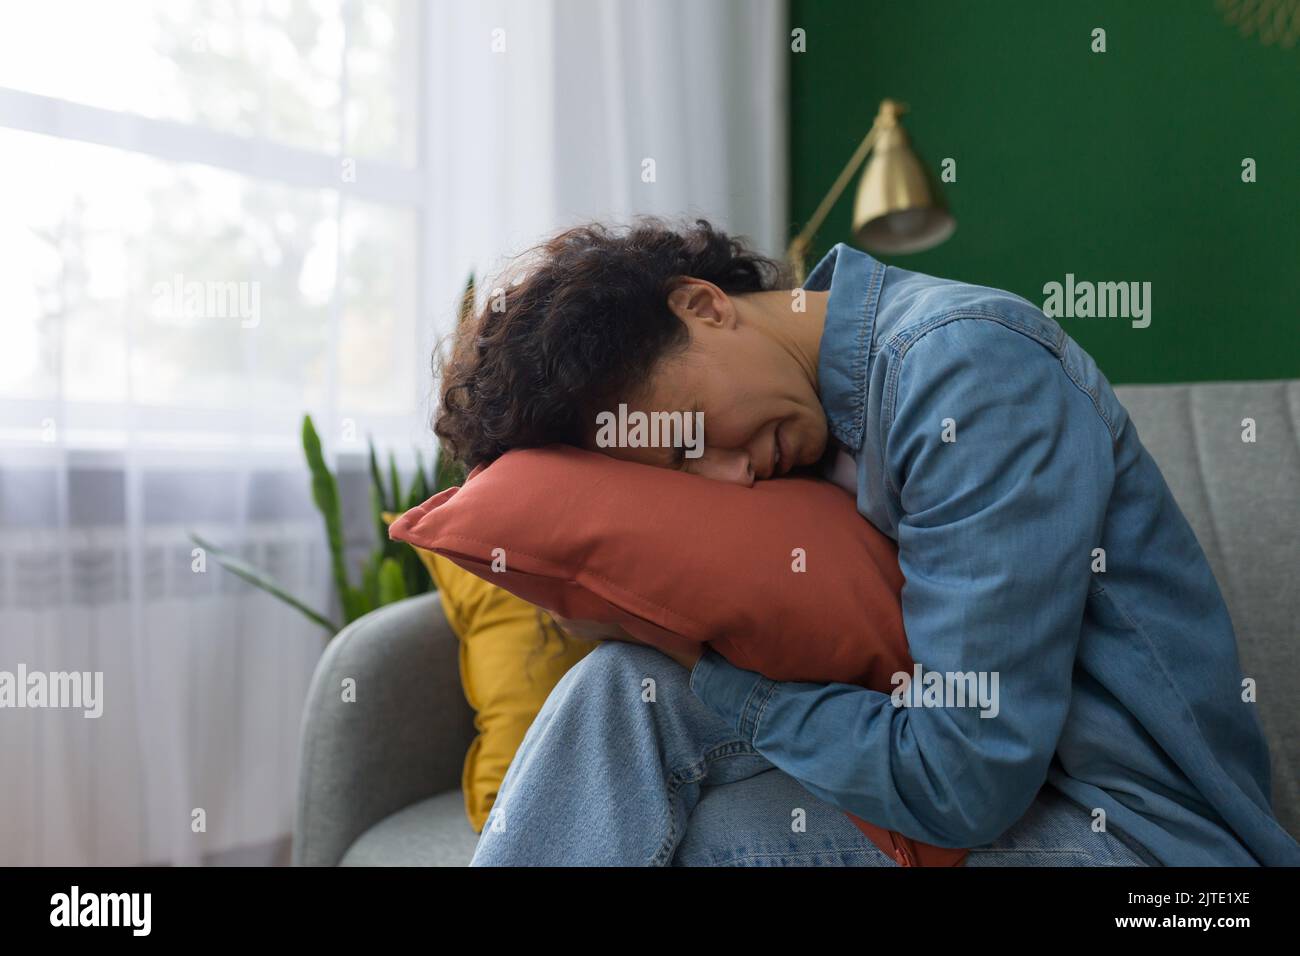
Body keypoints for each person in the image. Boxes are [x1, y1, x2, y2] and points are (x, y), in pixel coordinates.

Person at [434, 218, 1299, 866]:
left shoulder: (964, 374)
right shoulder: (813, 428)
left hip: (1150, 853)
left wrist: (721, 679)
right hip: (1030, 809)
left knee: (702, 841)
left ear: (702, 306)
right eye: (681, 474)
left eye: (692, 439)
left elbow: (965, 781)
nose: (726, 480)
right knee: (624, 688)